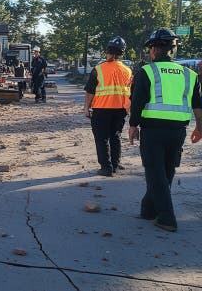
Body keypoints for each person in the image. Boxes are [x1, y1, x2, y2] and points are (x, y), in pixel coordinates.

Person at [129, 28, 202, 232]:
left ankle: (166, 218)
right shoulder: (189, 74)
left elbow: (137, 102)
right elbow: (198, 104)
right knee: (167, 171)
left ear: (153, 50)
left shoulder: (147, 71)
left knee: (155, 173)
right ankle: (149, 209)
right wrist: (199, 127)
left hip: (153, 130)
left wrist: (133, 125)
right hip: (178, 131)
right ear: (173, 49)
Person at [83, 36, 132, 177]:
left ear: (107, 51)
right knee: (115, 136)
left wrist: (86, 108)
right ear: (122, 53)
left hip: (102, 108)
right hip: (121, 109)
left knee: (101, 138)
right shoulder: (127, 70)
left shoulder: (98, 69)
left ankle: (106, 167)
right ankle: (115, 164)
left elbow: (90, 91)